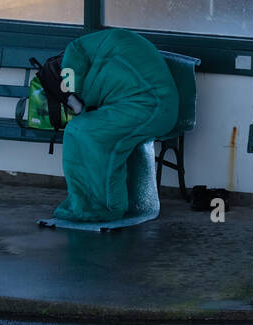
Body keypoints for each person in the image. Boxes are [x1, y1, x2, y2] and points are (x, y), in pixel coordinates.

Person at [53, 28, 179, 222]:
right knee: (77, 130)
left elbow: (73, 83)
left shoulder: (78, 54)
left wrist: (70, 94)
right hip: (146, 106)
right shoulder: (105, 46)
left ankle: (106, 207)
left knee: (92, 135)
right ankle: (84, 202)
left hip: (149, 107)